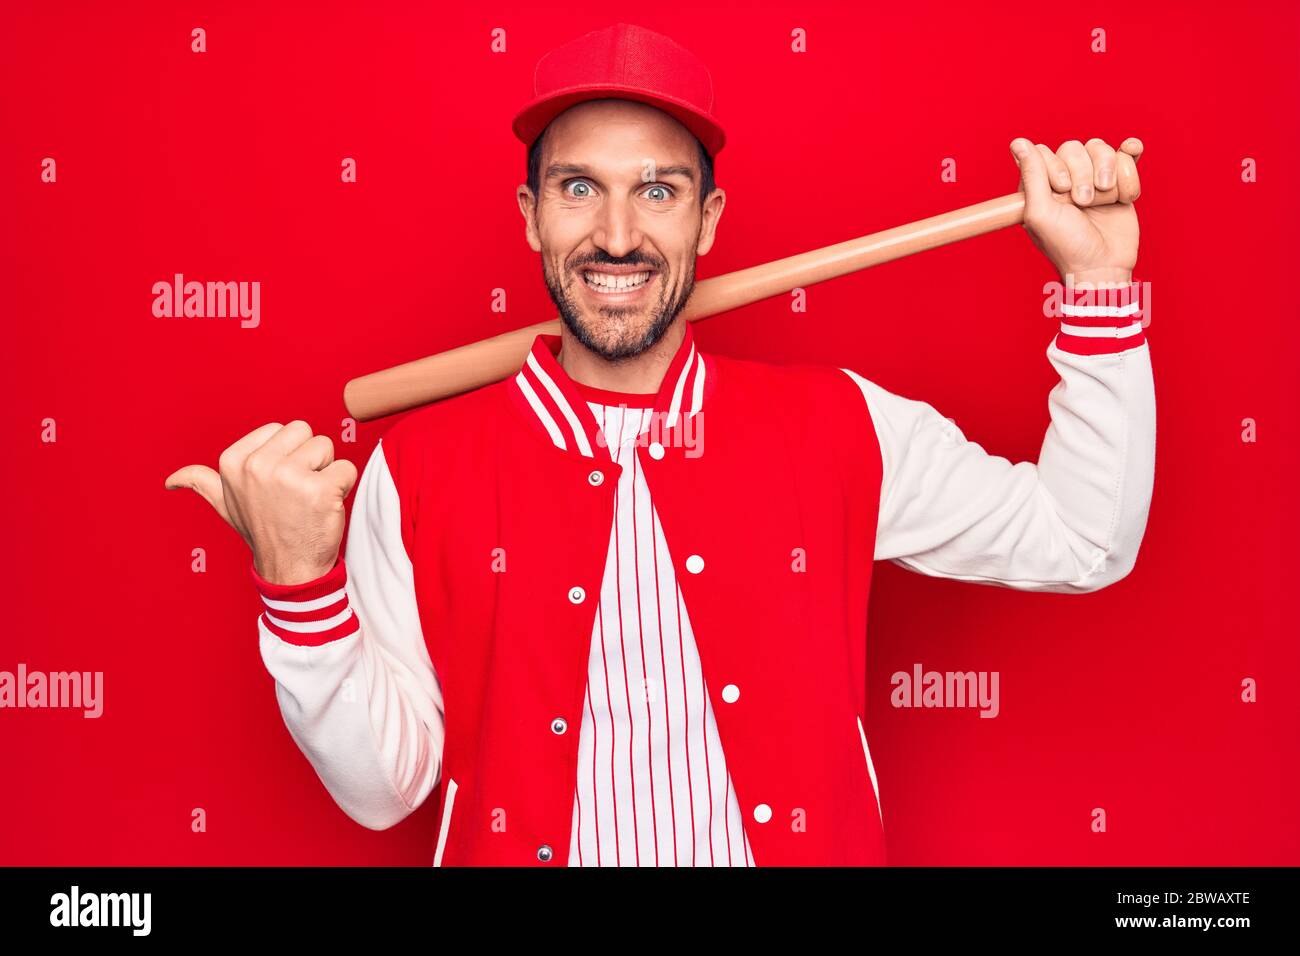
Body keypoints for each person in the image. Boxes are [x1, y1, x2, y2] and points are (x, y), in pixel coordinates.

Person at [165, 23, 1155, 866]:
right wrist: (299, 582)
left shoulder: (845, 424)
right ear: (530, 216)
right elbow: (382, 789)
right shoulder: (420, 470)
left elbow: (1081, 539)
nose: (617, 235)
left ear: (708, 219)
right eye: (578, 189)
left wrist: (1099, 287)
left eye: (657, 191)